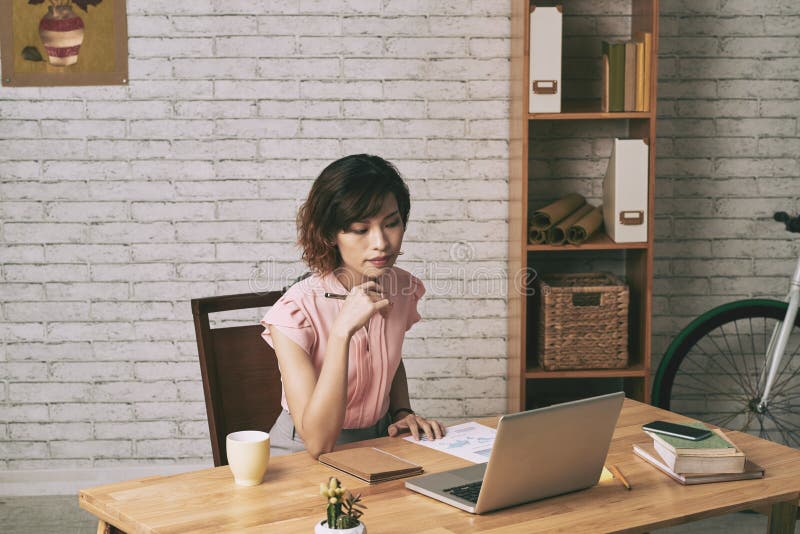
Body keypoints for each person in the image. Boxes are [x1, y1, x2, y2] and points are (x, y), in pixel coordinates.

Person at [261, 154, 445, 458]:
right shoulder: (293, 311)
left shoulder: (401, 287)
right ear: (331, 234)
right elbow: (318, 444)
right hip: (301, 453)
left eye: (392, 223)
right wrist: (342, 331)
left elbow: (390, 355)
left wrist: (401, 412)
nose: (381, 243)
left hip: (381, 441)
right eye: (361, 229)